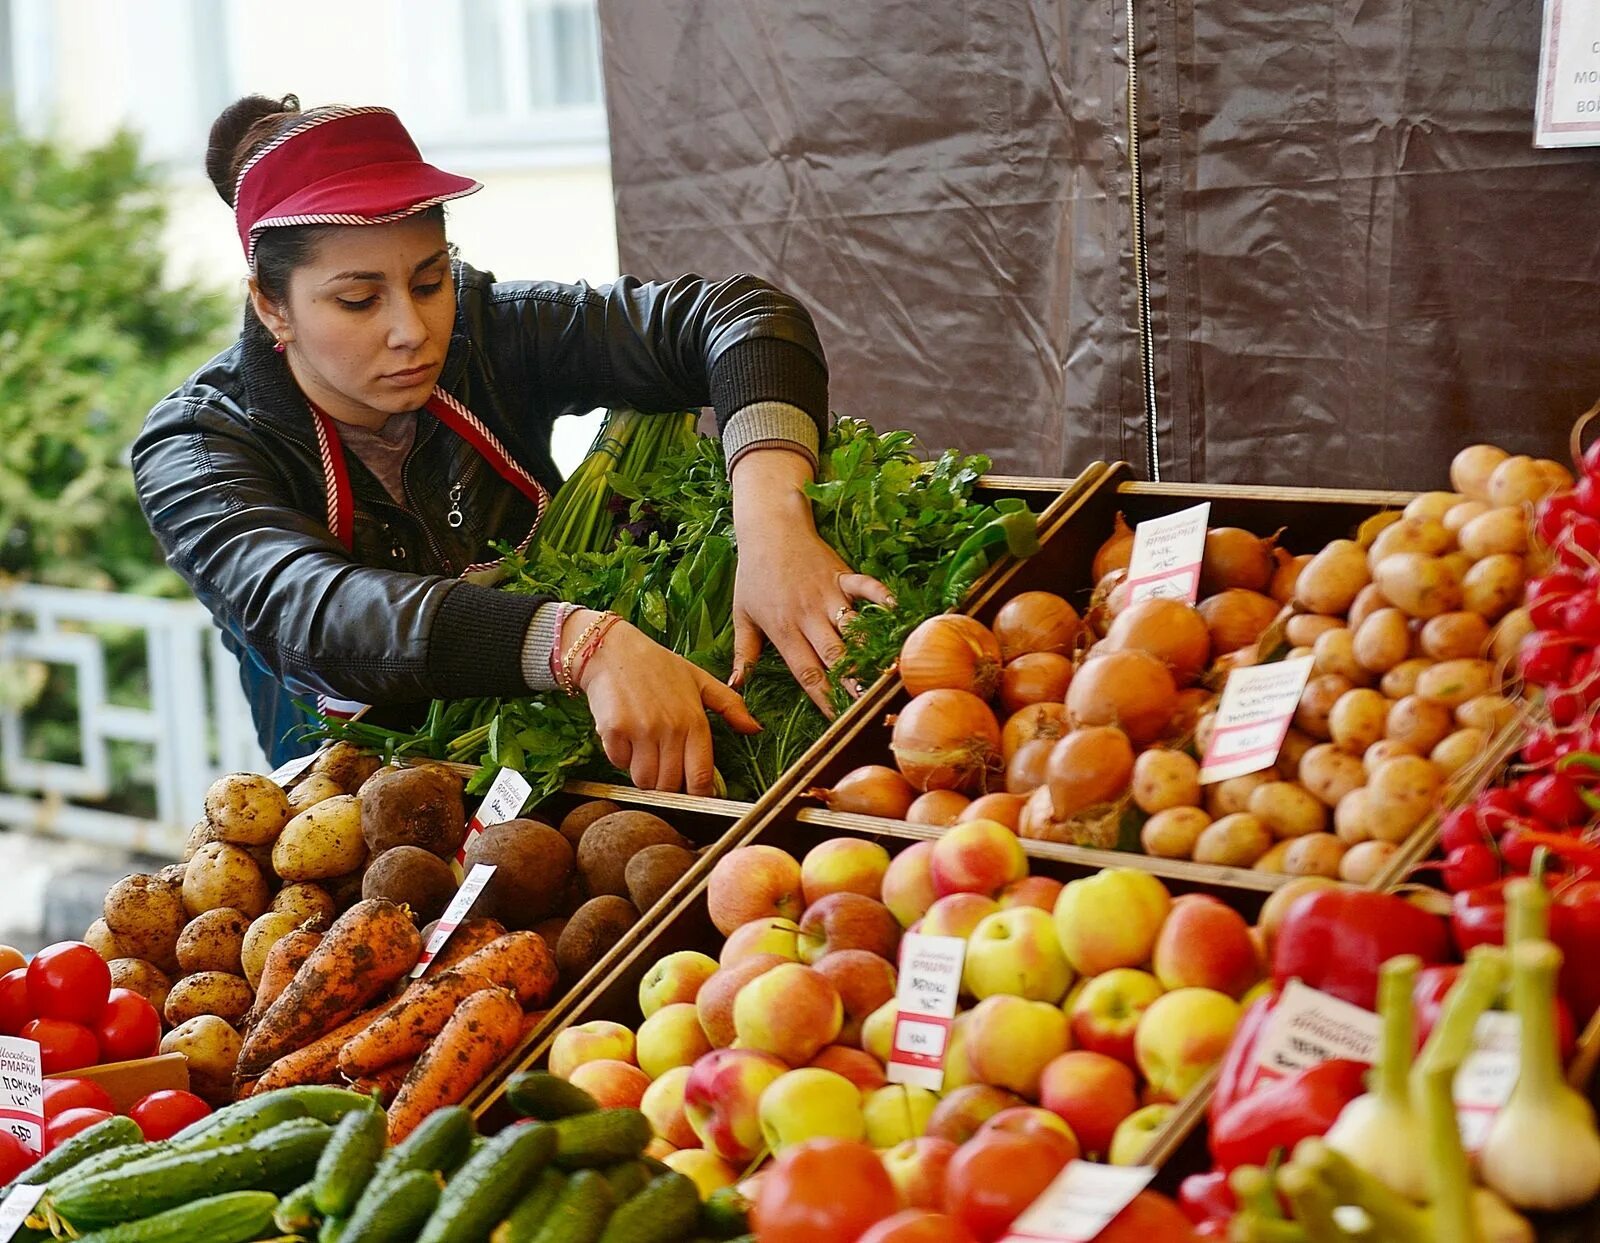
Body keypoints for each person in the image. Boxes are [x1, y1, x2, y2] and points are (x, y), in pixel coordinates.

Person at [134, 95, 891, 792]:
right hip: (369, 797)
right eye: (359, 299)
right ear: (272, 304)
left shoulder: (487, 332)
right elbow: (314, 611)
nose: (412, 331)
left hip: (575, 754)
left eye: (430, 281)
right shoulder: (197, 443)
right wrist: (577, 642)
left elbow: (740, 317)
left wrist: (771, 521)